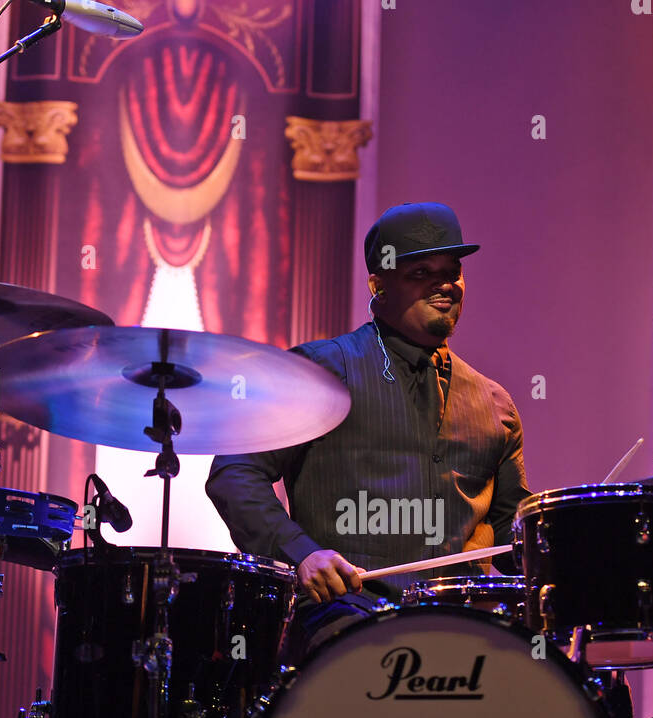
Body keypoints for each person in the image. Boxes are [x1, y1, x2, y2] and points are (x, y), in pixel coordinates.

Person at [206, 201, 531, 657]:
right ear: (378, 284)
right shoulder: (319, 371)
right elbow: (235, 474)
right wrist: (302, 554)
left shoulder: (496, 403)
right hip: (344, 615)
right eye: (421, 272)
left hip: (461, 625)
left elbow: (515, 532)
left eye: (452, 271)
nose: (445, 284)